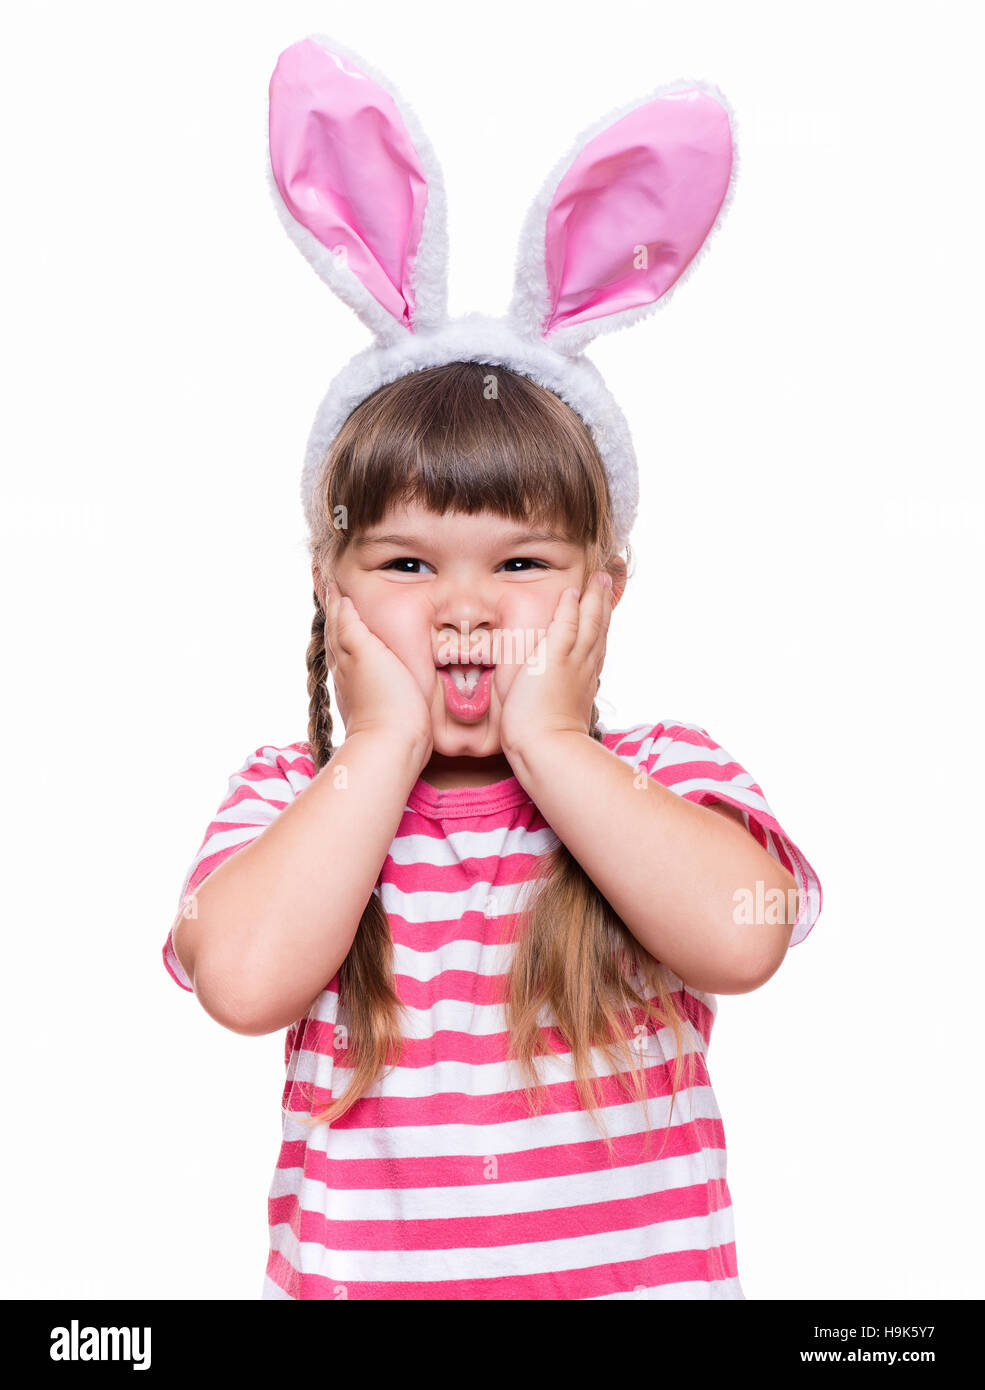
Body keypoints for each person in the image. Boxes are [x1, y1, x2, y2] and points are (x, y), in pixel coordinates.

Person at [162, 35, 822, 1300]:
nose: (464, 611)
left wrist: (556, 749)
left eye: (520, 566)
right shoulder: (295, 798)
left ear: (603, 592)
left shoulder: (658, 777)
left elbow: (742, 941)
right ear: (328, 587)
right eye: (407, 567)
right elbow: (241, 980)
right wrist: (374, 749)